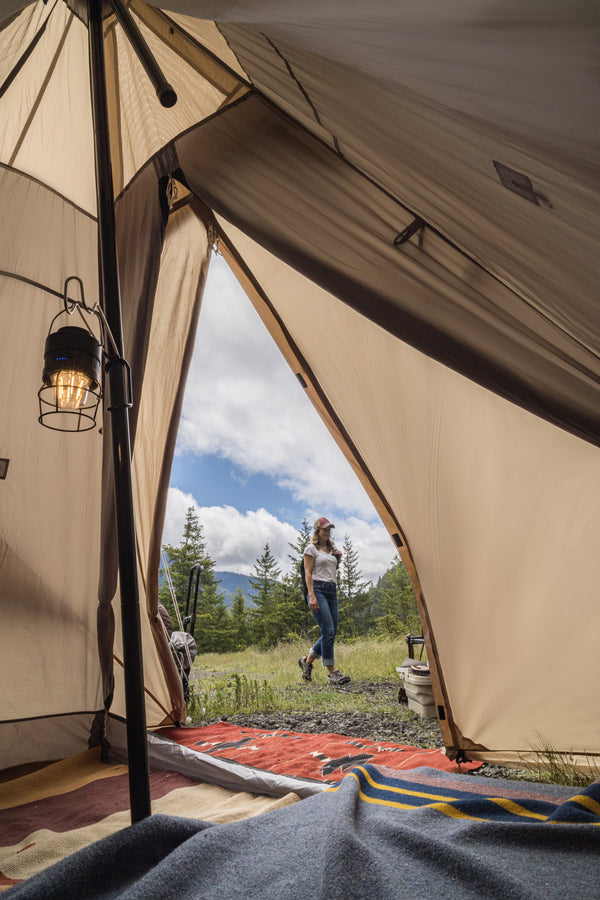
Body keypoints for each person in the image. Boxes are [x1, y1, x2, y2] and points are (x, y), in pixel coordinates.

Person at [298, 517, 351, 685]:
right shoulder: (311, 549)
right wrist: (311, 595)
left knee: (331, 631)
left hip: (331, 590)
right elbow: (308, 573)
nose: (328, 532)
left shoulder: (332, 549)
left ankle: (306, 661)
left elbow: (331, 569)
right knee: (328, 630)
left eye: (329, 530)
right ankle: (332, 673)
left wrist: (339, 558)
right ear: (317, 531)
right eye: (325, 529)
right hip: (318, 590)